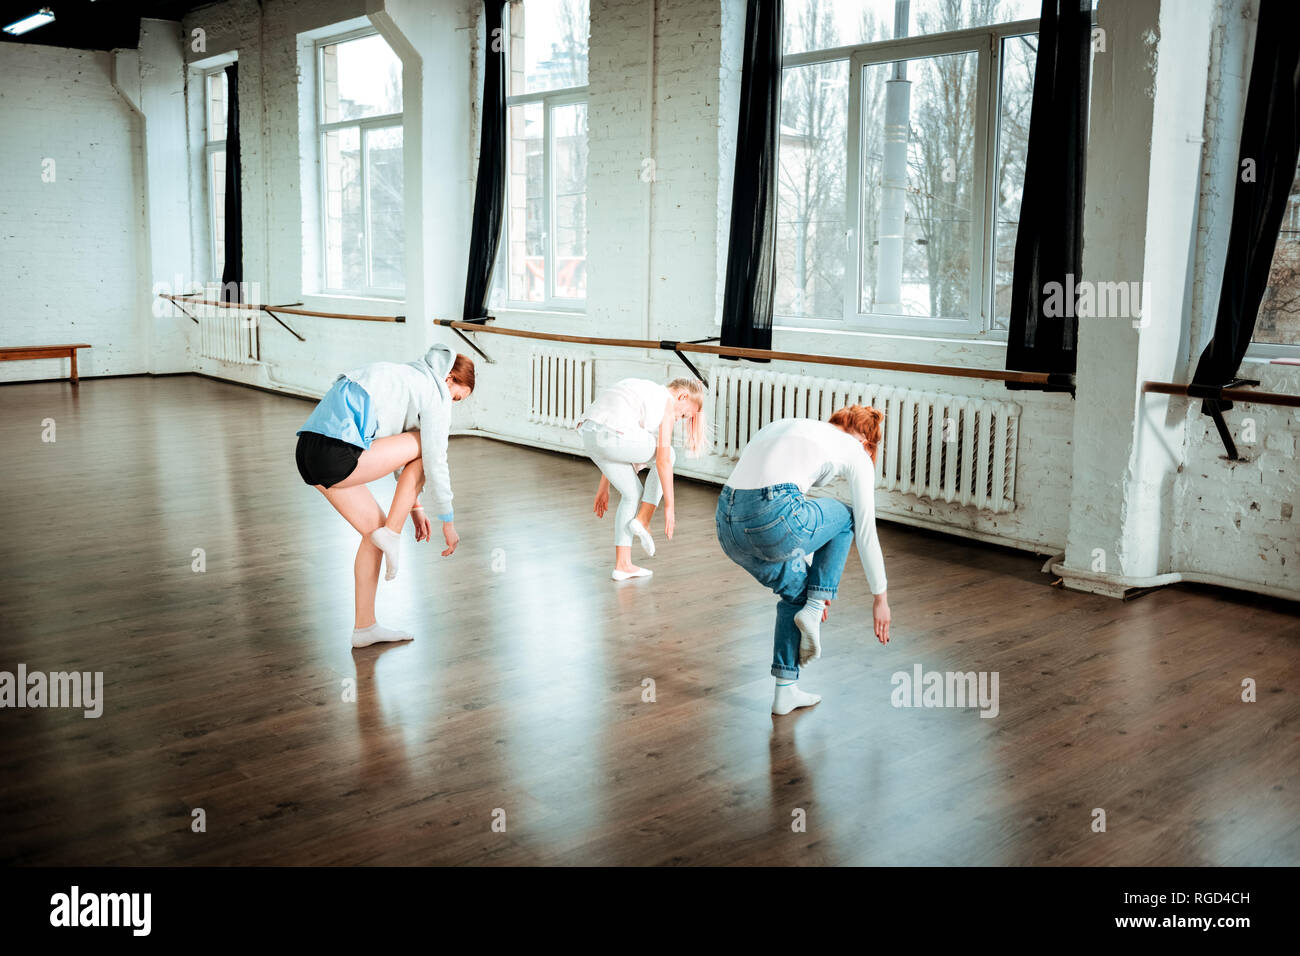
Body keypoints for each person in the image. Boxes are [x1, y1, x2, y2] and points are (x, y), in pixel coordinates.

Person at [715, 405, 891, 715]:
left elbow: (799, 529)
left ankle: (786, 691)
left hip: (728, 526)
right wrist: (880, 597)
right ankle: (813, 607)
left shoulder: (792, 425)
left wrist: (813, 585)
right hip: (773, 515)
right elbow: (865, 530)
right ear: (866, 441)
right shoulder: (857, 451)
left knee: (797, 591)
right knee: (848, 518)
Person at [295, 345, 474, 647]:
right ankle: (392, 533)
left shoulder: (402, 375)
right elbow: (433, 458)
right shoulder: (435, 393)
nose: (451, 404)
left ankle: (365, 628)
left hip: (309, 454)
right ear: (450, 379)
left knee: (372, 533)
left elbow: (390, 454)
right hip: (338, 454)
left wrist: (415, 507)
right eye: (457, 397)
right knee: (426, 444)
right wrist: (447, 519)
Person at [577, 377, 707, 580]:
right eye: (683, 415)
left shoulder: (644, 389)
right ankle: (643, 520)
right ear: (682, 396)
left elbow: (615, 441)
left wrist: (604, 487)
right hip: (612, 437)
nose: (679, 418)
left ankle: (623, 565)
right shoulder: (666, 403)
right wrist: (670, 507)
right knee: (669, 453)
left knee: (632, 493)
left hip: (590, 435)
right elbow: (663, 461)